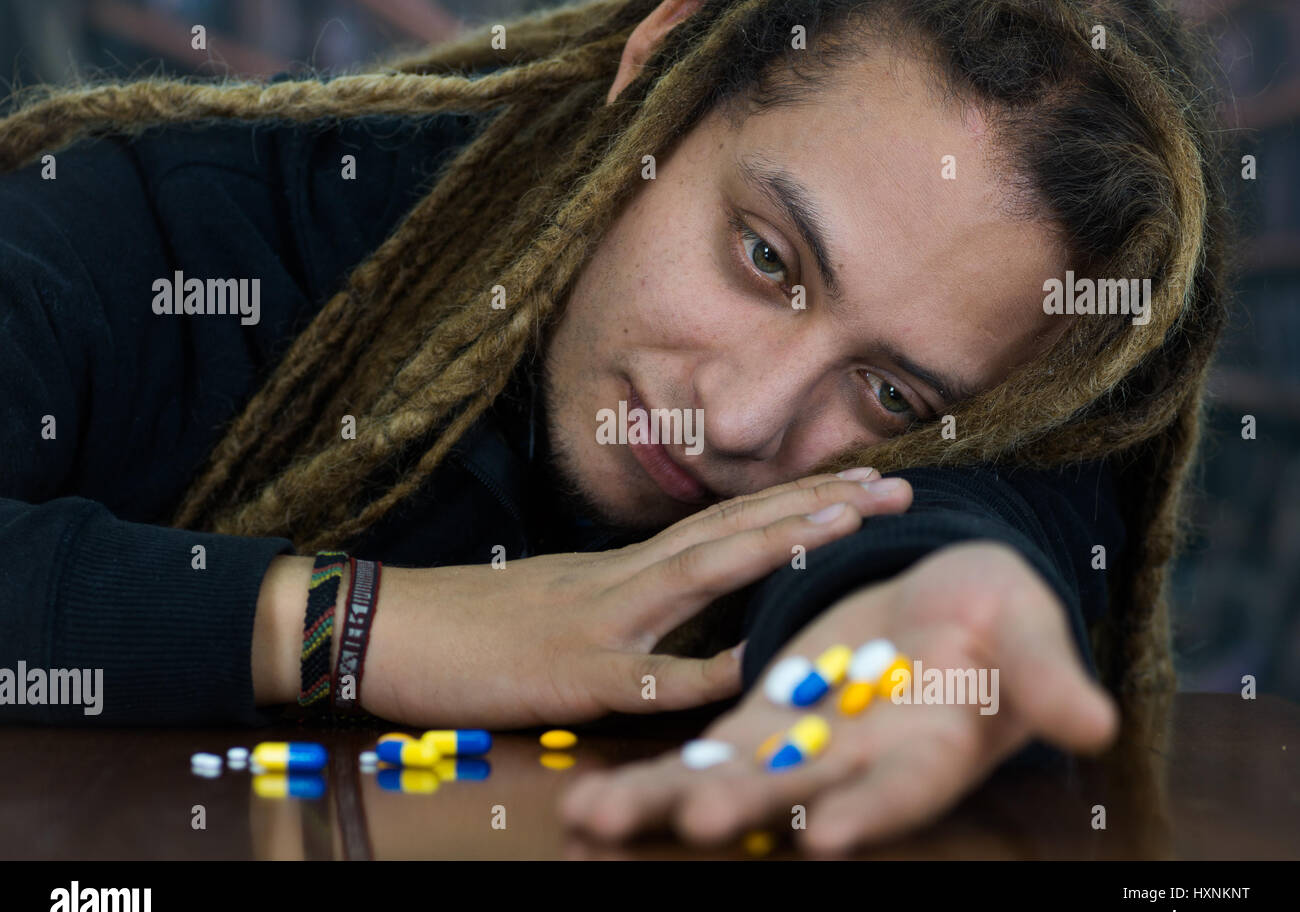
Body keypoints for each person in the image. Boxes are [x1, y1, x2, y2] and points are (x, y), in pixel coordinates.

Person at [0, 0, 1228, 852]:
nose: (743, 419)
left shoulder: (999, 431)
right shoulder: (191, 223)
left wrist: (926, 611)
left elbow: (975, 533)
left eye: (890, 396)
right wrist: (358, 624)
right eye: (764, 257)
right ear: (666, 61)